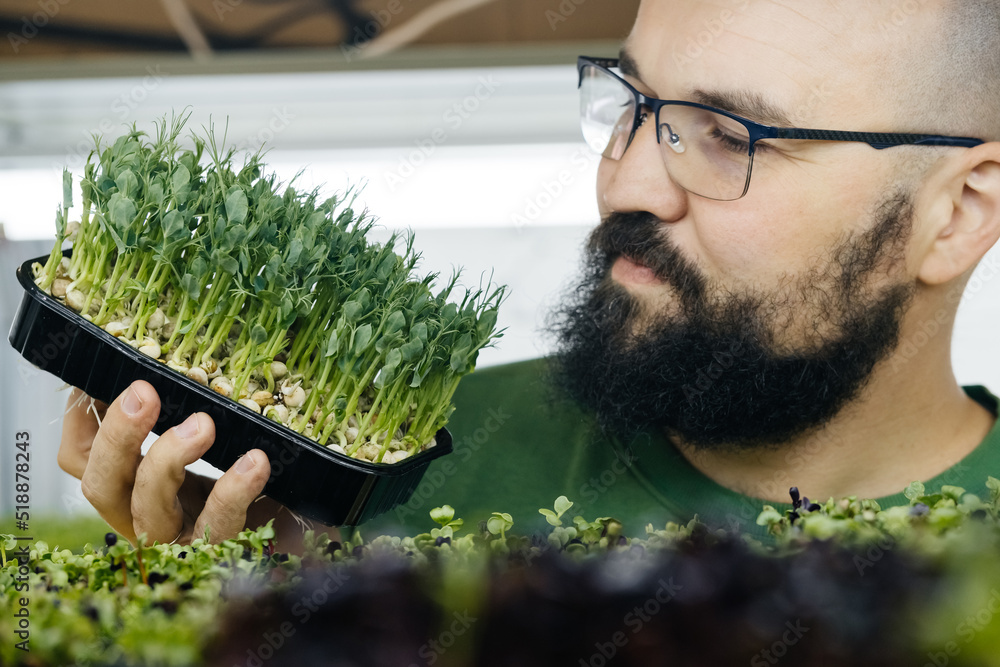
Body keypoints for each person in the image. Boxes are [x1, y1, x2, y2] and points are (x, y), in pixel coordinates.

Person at [58, 0, 1000, 547]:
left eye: (730, 137)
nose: (626, 182)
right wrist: (227, 606)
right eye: (630, 101)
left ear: (956, 212)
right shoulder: (393, 469)